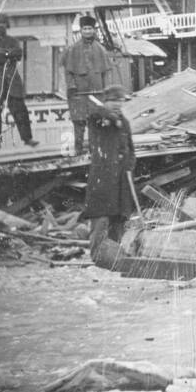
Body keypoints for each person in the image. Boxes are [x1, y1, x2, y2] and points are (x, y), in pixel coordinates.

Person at [82, 85, 136, 268]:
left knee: (119, 219)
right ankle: (97, 256)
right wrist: (110, 116)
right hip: (103, 177)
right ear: (106, 101)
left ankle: (114, 257)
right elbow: (95, 113)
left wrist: (129, 165)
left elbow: (130, 148)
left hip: (121, 179)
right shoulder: (98, 119)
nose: (117, 105)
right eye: (113, 101)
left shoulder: (124, 122)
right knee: (101, 218)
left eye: (120, 101)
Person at [0, 16, 38, 148]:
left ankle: (27, 139)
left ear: (7, 26)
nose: (1, 26)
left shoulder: (13, 41)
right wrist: (9, 54)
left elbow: (18, 54)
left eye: (4, 24)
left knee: (20, 111)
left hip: (11, 82)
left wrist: (2, 53)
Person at [63, 15, 110, 155]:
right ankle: (78, 150)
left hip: (96, 93)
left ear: (94, 30)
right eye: (85, 28)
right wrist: (71, 86)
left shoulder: (101, 49)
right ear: (81, 30)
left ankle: (94, 151)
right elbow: (68, 72)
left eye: (90, 28)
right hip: (78, 93)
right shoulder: (73, 49)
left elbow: (106, 73)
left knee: (95, 122)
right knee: (79, 123)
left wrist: (106, 91)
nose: (87, 31)